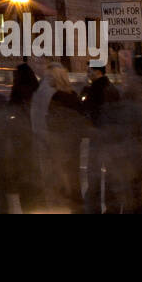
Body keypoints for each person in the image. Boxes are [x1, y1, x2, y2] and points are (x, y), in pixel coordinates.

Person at [36, 63, 86, 213]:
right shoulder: (74, 96)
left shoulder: (57, 97)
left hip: (60, 146)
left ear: (56, 78)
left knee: (63, 183)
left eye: (50, 76)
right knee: (74, 181)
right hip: (73, 145)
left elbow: (53, 122)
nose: (47, 80)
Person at [80, 63, 120, 213]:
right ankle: (112, 206)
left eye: (89, 71)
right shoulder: (111, 88)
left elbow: (87, 111)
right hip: (111, 135)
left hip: (98, 135)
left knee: (94, 173)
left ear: (97, 72)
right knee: (110, 173)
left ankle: (93, 207)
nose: (88, 73)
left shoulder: (95, 89)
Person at [1, 63, 41, 213]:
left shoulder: (17, 95)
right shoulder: (37, 92)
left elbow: (9, 116)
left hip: (21, 145)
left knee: (24, 187)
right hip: (37, 144)